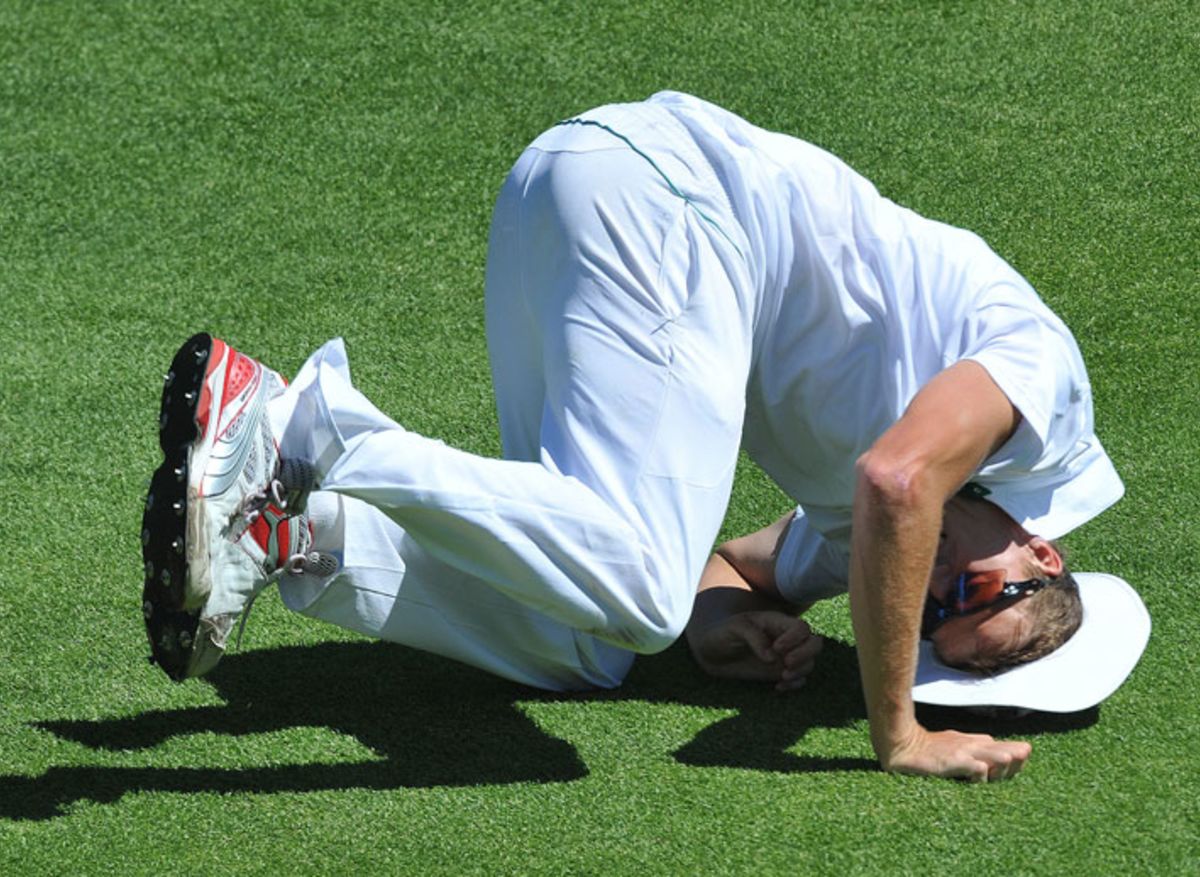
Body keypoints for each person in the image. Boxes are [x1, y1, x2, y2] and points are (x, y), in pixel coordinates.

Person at [140, 92, 1125, 783]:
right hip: (664, 203)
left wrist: (715, 623)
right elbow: (896, 479)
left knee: (592, 633)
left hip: (582, 201)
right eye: (978, 590)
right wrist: (898, 727)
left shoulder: (869, 545)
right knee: (640, 586)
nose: (929, 586)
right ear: (1042, 549)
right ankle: (305, 428)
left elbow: (732, 568)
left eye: (928, 615)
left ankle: (294, 528)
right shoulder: (1044, 391)